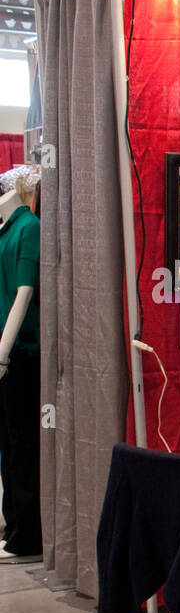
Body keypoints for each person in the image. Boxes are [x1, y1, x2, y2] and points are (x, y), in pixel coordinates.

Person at [0, 169, 42, 563]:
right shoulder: (8, 227)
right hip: (10, 348)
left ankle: (25, 533)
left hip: (21, 351)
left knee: (21, 443)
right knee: (9, 445)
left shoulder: (29, 227)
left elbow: (24, 291)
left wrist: (3, 350)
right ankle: (15, 526)